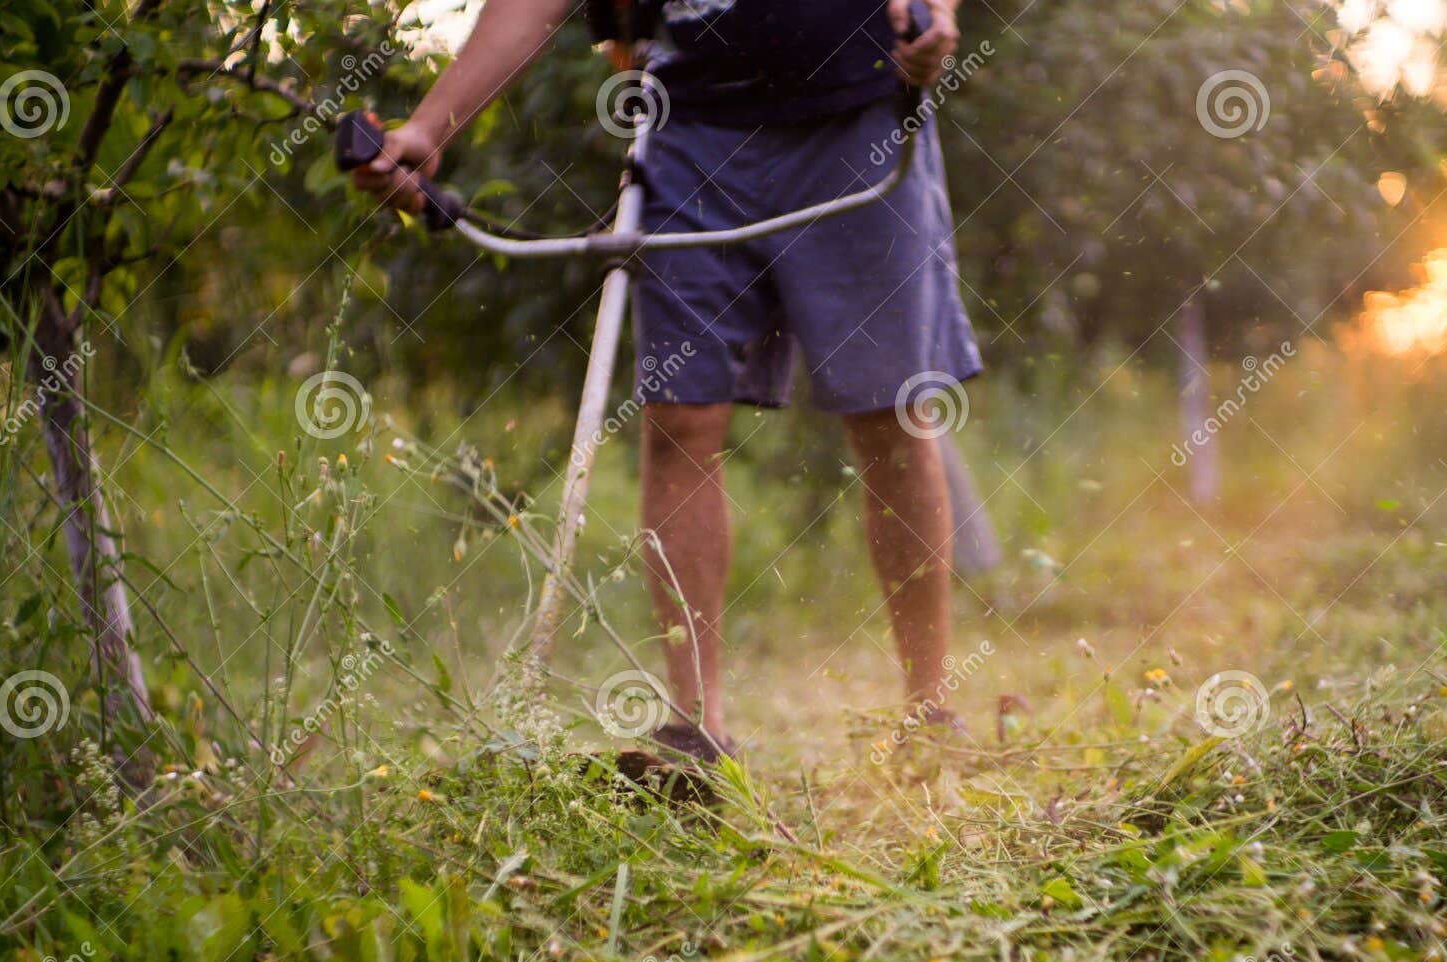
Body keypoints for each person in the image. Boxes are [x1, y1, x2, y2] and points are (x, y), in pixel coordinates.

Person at [352, 0, 982, 763]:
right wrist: (427, 129)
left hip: (856, 114)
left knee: (891, 414)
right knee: (678, 415)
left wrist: (933, 15)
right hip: (692, 133)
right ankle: (695, 734)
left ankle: (930, 715)